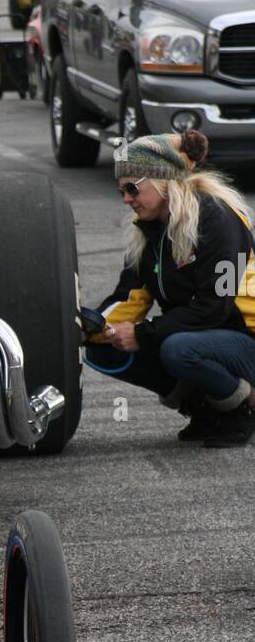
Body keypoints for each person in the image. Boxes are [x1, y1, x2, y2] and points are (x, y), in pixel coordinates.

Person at [85, 130, 255, 446]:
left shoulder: (220, 220)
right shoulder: (149, 233)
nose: (126, 199)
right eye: (120, 190)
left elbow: (216, 306)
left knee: (177, 348)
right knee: (101, 349)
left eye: (132, 188)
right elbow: (128, 299)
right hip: (202, 335)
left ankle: (239, 408)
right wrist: (86, 327)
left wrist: (144, 334)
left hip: (245, 337)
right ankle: (204, 410)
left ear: (163, 179)